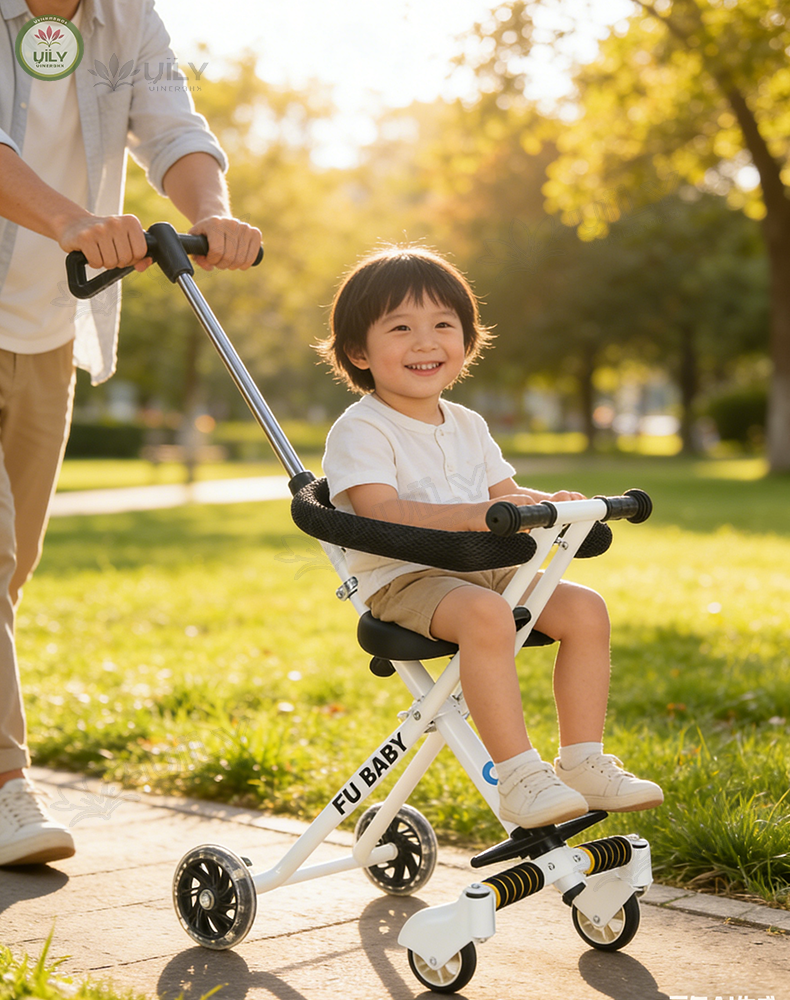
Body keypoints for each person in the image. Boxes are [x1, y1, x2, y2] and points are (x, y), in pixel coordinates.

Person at [0, 0, 261, 866]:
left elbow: (173, 129)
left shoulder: (125, 17)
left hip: (45, 328)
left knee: (14, 570)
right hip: (41, 271)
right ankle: (5, 788)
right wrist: (73, 220)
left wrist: (213, 210)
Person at [318, 246, 663, 829]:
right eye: (401, 328)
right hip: (406, 577)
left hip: (484, 564)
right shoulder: (361, 428)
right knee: (486, 617)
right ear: (359, 352)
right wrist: (475, 514)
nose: (425, 342)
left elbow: (507, 493)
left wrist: (548, 506)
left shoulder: (469, 424)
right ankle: (519, 778)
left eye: (443, 326)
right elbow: (382, 512)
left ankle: (582, 761)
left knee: (586, 611)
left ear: (467, 340)